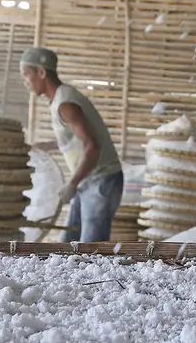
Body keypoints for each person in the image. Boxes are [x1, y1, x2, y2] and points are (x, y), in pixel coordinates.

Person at [21, 47, 124, 242]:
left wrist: (72, 184)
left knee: (91, 250)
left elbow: (92, 146)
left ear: (41, 73)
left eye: (27, 75)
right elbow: (75, 138)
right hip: (88, 180)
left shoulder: (65, 104)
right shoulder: (59, 100)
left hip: (101, 181)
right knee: (66, 245)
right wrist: (46, 146)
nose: (25, 81)